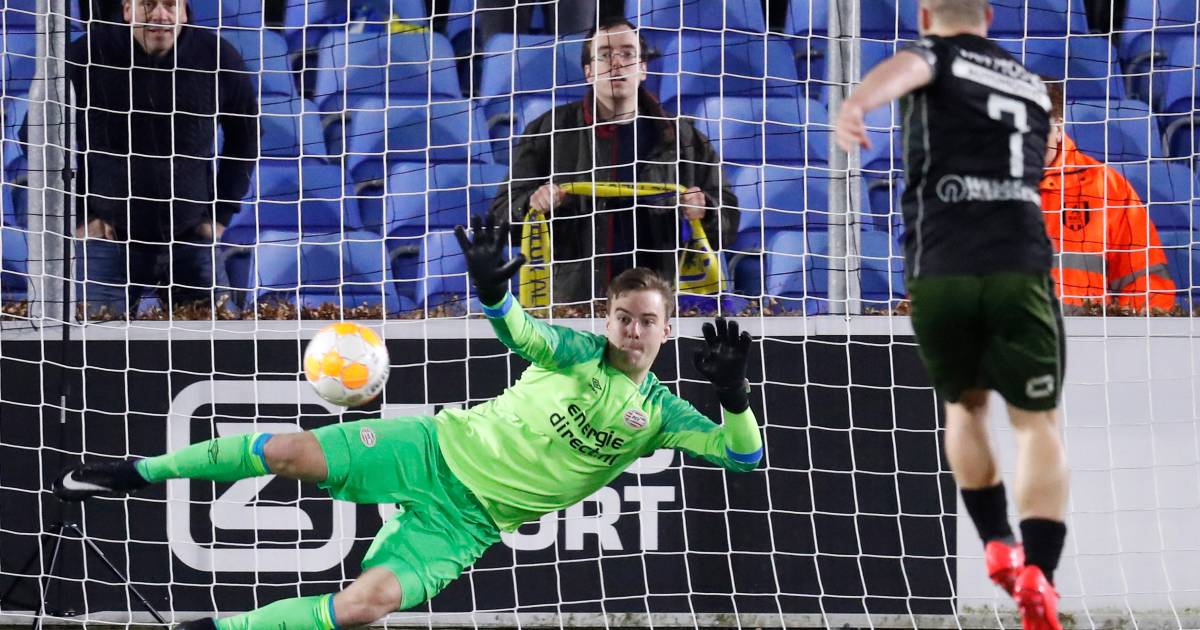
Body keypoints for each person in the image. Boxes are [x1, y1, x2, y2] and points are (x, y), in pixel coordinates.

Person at [52, 215, 763, 629]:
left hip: (468, 525)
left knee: (365, 607)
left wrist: (733, 395)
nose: (632, 331)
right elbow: (520, 333)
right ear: (606, 319)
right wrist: (493, 293)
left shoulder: (661, 413)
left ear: (667, 329)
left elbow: (741, 457)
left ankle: (213, 628)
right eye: (623, 317)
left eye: (646, 322)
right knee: (291, 452)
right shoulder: (577, 352)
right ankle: (134, 473)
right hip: (431, 447)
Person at [834, 1, 1068, 629]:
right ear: (988, 15)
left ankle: (996, 542)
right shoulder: (1028, 82)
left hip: (941, 267)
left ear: (925, 15)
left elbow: (908, 69)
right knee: (1037, 425)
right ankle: (1040, 575)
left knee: (964, 409)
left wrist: (857, 103)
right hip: (1019, 264)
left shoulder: (935, 52)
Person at [489, 16, 737, 306]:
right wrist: (532, 205)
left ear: (643, 69)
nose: (617, 64)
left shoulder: (685, 139)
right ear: (588, 72)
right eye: (605, 56)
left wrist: (706, 210)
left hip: (656, 310)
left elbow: (728, 222)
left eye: (628, 55)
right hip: (573, 306)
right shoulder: (548, 132)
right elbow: (501, 217)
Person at [67, 0, 258, 319]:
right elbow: (37, 133)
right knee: (95, 347)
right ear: (127, 10)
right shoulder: (86, 54)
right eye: (148, 4)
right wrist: (80, 215)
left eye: (170, 5)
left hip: (191, 241)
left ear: (185, 11)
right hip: (106, 243)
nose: (160, 14)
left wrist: (221, 214)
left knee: (218, 345)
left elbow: (246, 138)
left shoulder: (217, 56)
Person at [1040, 80, 1176, 314]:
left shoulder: (1107, 188)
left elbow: (1145, 285)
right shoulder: (980, 186)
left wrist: (1127, 335)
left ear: (1059, 128)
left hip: (1088, 337)